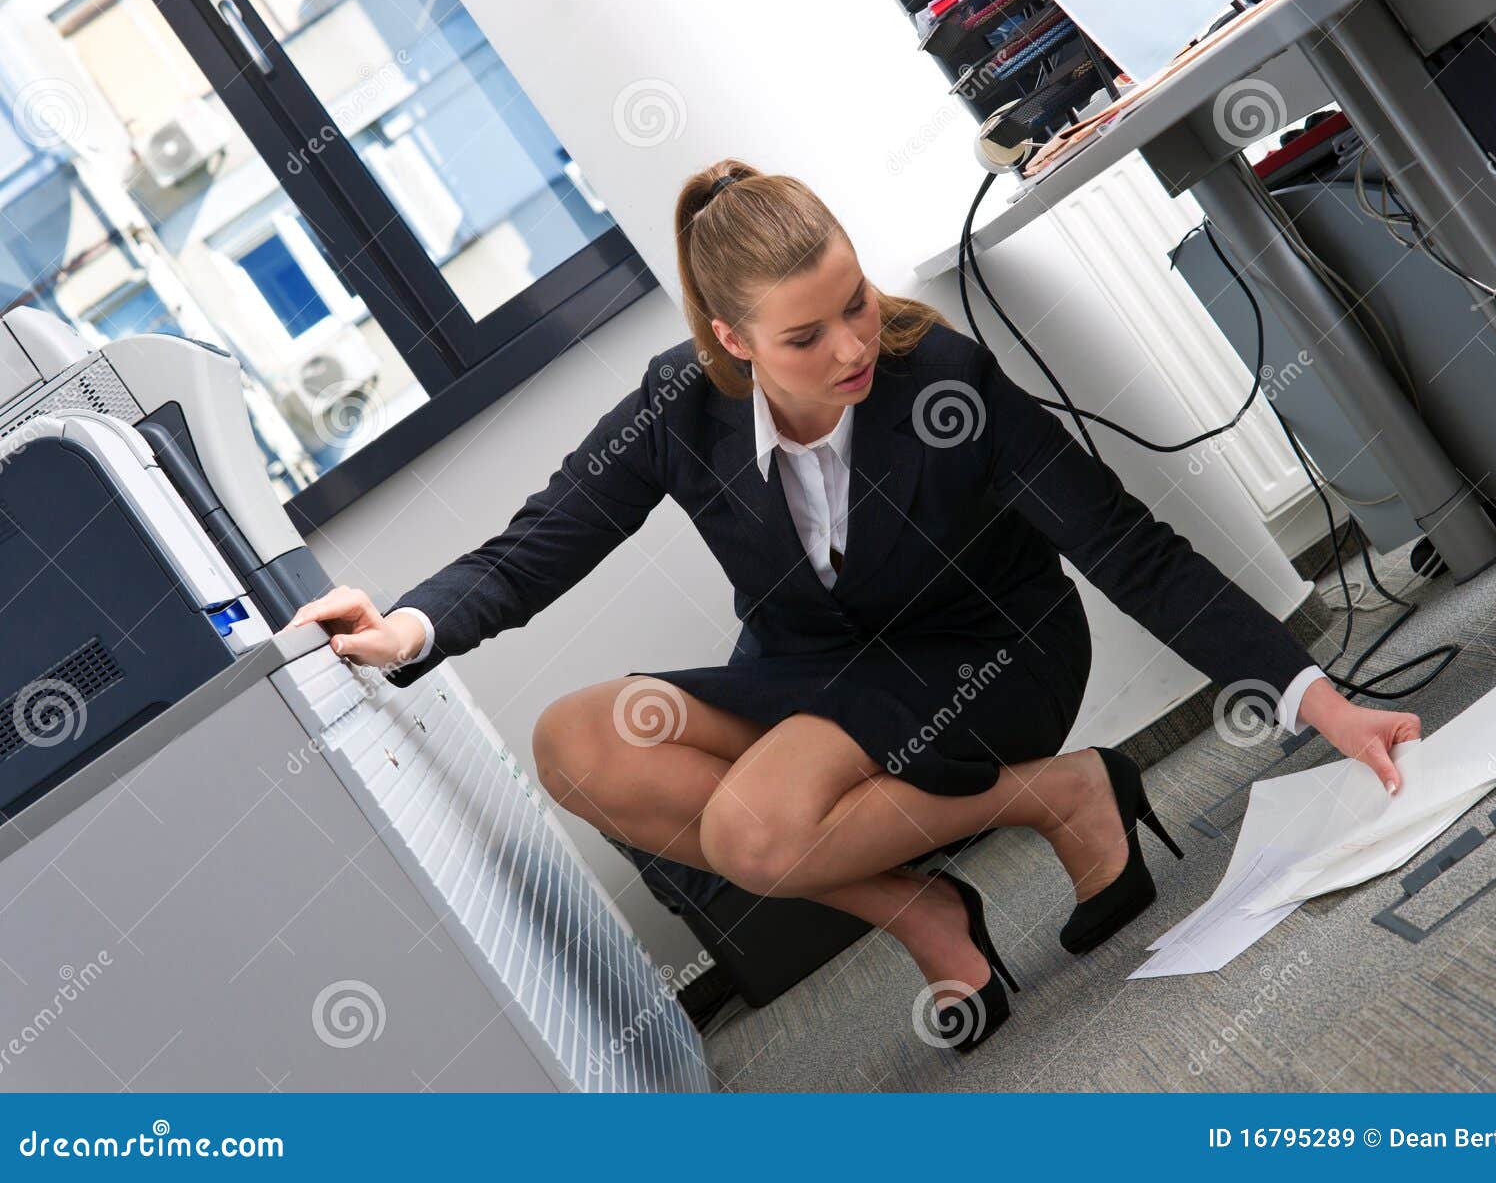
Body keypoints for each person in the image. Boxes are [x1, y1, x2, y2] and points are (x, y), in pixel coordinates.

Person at [289, 159, 1422, 1053]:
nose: (852, 346)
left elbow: (1130, 547)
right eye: (805, 334)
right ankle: (929, 906)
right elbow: (540, 544)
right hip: (814, 669)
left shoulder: (945, 380)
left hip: (985, 653)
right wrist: (406, 628)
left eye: (854, 303)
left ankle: (1055, 787)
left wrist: (1316, 699)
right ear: (730, 342)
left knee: (754, 829)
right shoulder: (678, 406)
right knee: (577, 743)